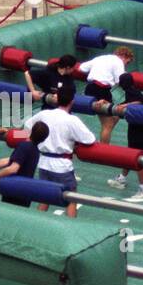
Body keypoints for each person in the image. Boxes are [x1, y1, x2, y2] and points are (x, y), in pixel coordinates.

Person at [23, 81, 96, 218]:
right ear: (72, 101)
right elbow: (89, 139)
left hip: (43, 162)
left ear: (56, 98)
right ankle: (71, 228)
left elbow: (27, 126)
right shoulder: (72, 120)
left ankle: (34, 224)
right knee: (71, 198)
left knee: (45, 197)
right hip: (62, 165)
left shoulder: (44, 114)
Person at [105, 74, 143, 197]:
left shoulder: (132, 92)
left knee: (137, 157)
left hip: (140, 127)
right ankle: (122, 178)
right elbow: (130, 102)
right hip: (137, 126)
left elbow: (139, 102)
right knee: (130, 154)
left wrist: (125, 106)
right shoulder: (132, 91)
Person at [79, 46, 134, 145]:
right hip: (101, 90)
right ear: (124, 56)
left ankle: (102, 143)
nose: (126, 64)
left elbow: (82, 68)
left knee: (115, 115)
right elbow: (120, 80)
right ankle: (103, 149)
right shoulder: (118, 61)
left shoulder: (100, 58)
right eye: (128, 62)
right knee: (107, 125)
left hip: (90, 88)